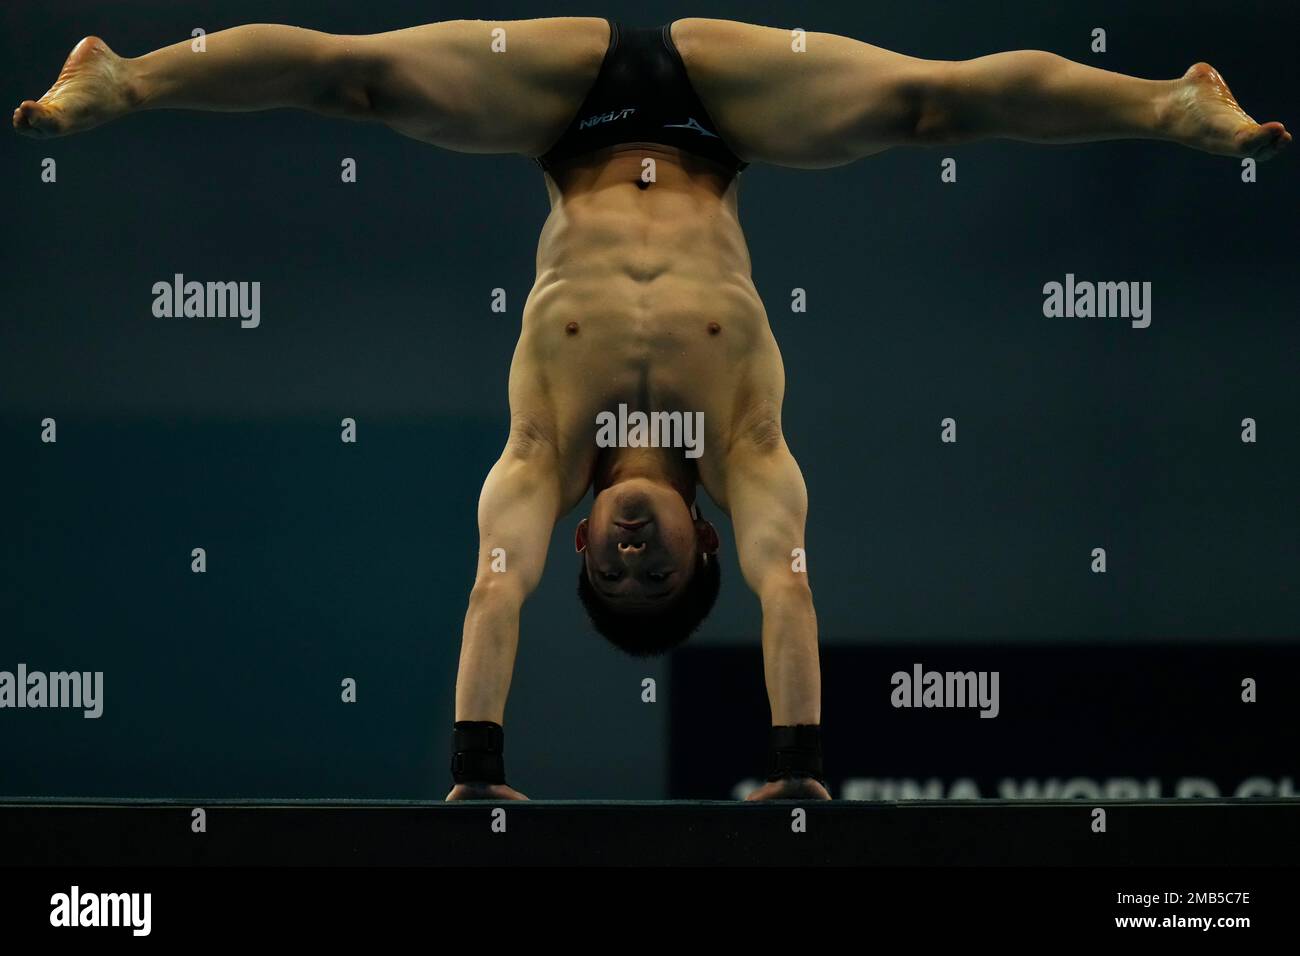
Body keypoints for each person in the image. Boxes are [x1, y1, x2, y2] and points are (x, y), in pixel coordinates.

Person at [17, 17, 1288, 802]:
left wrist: (475, 775)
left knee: (358, 83)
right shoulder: (747, 450)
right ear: (701, 548)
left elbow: (488, 589)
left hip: (562, 114)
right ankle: (1170, 105)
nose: (629, 555)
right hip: (728, 108)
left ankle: (125, 78)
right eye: (655, 574)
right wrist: (797, 769)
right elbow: (790, 588)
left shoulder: (540, 453)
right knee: (927, 103)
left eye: (609, 575)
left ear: (579, 540)